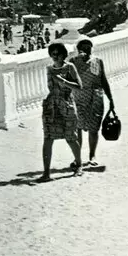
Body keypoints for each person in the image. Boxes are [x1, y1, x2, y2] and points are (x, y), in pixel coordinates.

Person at [38, 43, 84, 182]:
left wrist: (63, 81)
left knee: (71, 137)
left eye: (58, 53)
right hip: (52, 106)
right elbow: (51, 87)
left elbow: (79, 87)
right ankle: (46, 173)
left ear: (64, 54)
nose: (55, 56)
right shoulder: (49, 69)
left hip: (67, 103)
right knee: (48, 138)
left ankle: (79, 164)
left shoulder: (70, 67)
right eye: (53, 54)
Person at [69, 39, 115, 167]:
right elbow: (67, 79)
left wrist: (111, 99)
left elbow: (103, 80)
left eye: (89, 47)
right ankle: (77, 158)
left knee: (94, 128)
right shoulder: (73, 62)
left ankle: (92, 155)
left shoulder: (97, 61)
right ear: (78, 49)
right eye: (83, 47)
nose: (87, 50)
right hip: (78, 98)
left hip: (95, 98)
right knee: (77, 128)